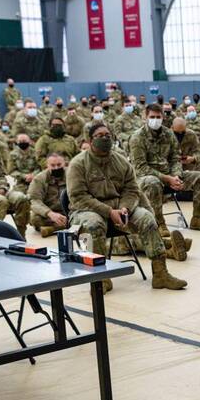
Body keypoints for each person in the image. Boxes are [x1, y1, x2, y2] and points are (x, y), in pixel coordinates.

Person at [67, 124, 186, 291]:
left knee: (146, 218)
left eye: (107, 135)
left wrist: (125, 208)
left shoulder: (120, 161)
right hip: (87, 209)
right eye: (99, 135)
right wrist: (109, 212)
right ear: (90, 140)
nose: (105, 138)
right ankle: (100, 278)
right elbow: (79, 197)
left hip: (120, 207)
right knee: (93, 224)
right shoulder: (78, 164)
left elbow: (131, 189)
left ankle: (161, 274)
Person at [128, 108, 198, 255]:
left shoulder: (168, 134)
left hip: (170, 175)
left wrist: (177, 176)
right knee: (152, 182)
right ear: (145, 117)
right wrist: (168, 179)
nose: (155, 119)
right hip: (147, 177)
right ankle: (160, 223)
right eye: (152, 116)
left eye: (158, 116)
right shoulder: (137, 137)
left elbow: (175, 158)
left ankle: (196, 219)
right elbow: (141, 168)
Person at [28, 153, 70, 237]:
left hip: (69, 210)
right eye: (53, 165)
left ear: (64, 163)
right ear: (47, 165)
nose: (56, 168)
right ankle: (67, 226)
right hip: (49, 213)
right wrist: (50, 213)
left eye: (59, 164)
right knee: (34, 219)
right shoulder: (39, 179)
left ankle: (53, 229)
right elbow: (34, 200)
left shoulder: (72, 175)